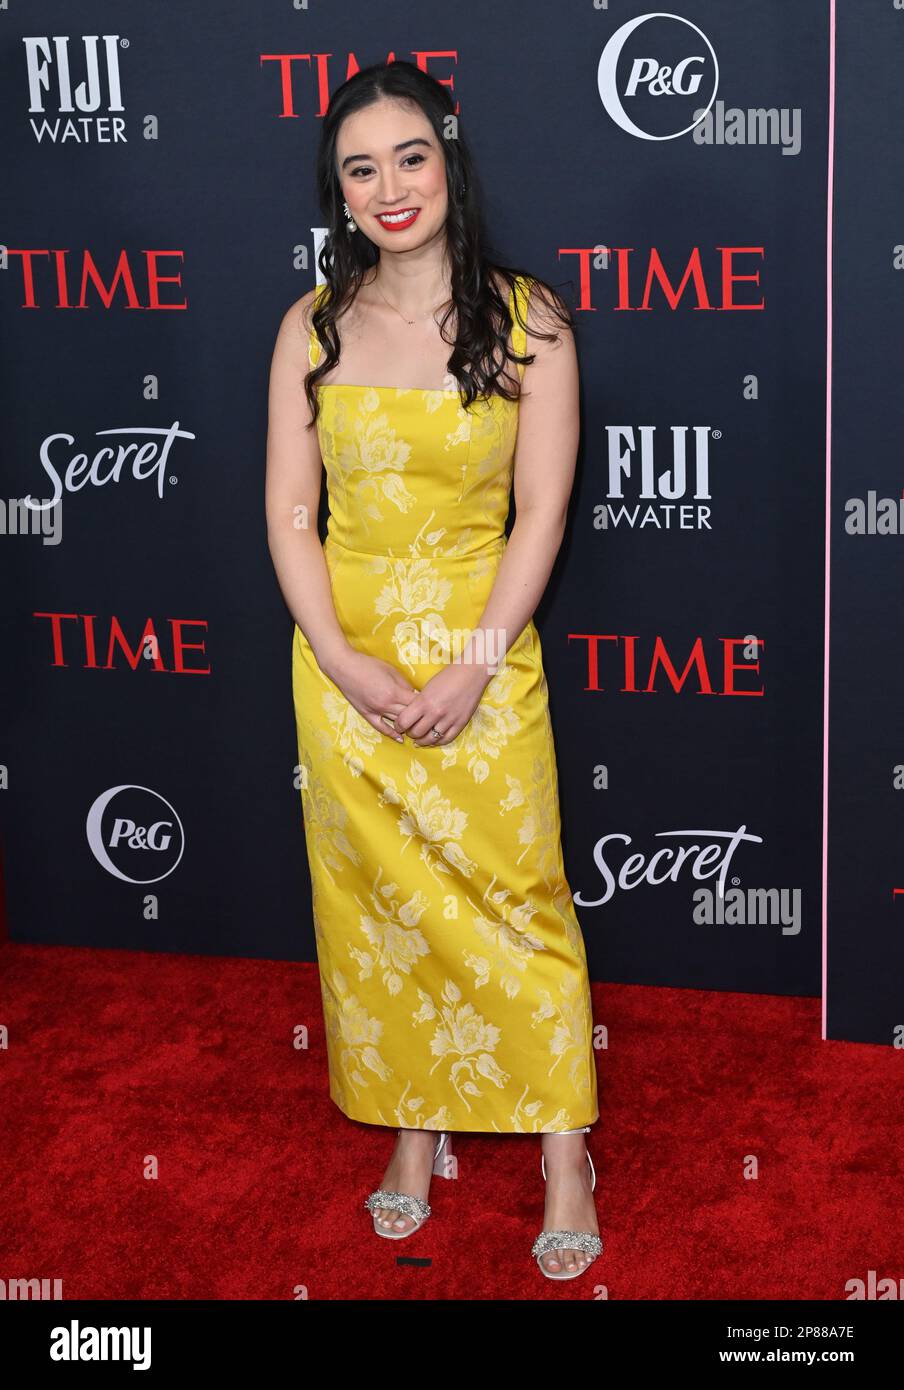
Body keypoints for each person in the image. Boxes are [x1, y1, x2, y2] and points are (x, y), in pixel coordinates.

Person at [266, 59, 601, 1281]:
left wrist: (472, 664)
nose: (389, 186)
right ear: (338, 192)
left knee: (519, 898)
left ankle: (566, 1147)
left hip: (481, 656)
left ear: (448, 160)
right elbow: (291, 517)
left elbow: (541, 518)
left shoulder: (530, 321)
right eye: (361, 168)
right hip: (344, 665)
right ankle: (416, 1129)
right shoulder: (309, 327)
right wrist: (341, 659)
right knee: (377, 911)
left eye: (410, 156)